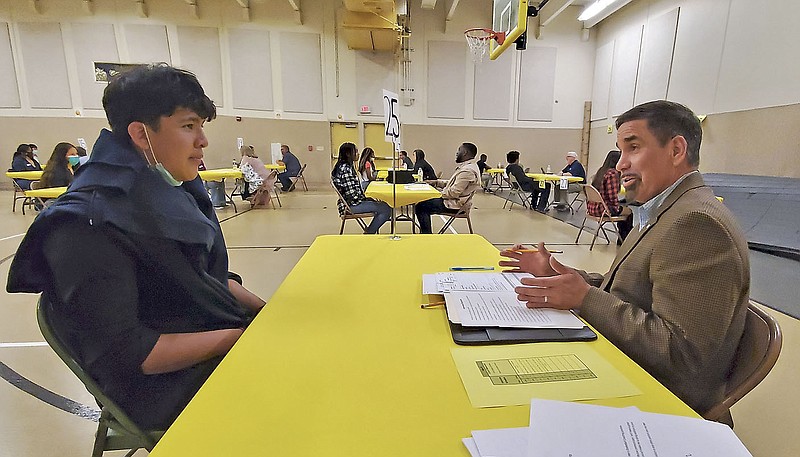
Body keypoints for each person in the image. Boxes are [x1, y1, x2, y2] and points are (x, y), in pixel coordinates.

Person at [6, 64, 265, 430]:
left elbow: (206, 276)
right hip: (160, 387)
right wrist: (241, 337)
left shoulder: (168, 188)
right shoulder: (87, 222)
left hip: (199, 332)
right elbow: (128, 354)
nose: (202, 140)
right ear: (141, 135)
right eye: (189, 126)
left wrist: (266, 311)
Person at [499, 100, 749, 423]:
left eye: (633, 148)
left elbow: (682, 359)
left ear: (676, 150)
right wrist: (561, 274)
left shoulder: (697, 224)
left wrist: (585, 297)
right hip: (628, 370)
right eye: (619, 150)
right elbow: (625, 289)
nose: (619, 165)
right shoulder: (662, 210)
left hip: (662, 408)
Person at [414, 142, 480, 234]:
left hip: (456, 205)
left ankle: (426, 235)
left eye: (459, 150)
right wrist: (436, 182)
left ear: (465, 152)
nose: (457, 153)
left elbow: (454, 192)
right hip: (456, 201)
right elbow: (452, 184)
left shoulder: (467, 171)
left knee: (421, 206)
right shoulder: (468, 167)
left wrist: (436, 193)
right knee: (422, 203)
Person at [331, 142, 392, 234]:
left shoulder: (344, 167)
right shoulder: (346, 169)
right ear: (348, 154)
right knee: (386, 209)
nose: (358, 154)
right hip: (351, 206)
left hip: (351, 203)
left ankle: (369, 232)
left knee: (381, 204)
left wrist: (367, 199)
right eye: (355, 152)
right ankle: (369, 233)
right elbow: (352, 195)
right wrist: (366, 200)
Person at [588, 150, 632, 243]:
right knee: (629, 212)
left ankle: (622, 239)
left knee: (623, 208)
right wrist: (618, 208)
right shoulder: (612, 174)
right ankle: (624, 241)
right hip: (603, 210)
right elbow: (612, 198)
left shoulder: (601, 171)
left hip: (592, 208)